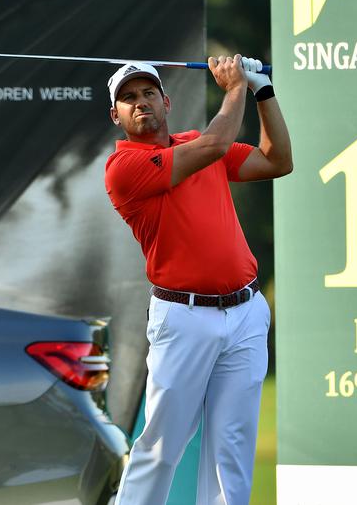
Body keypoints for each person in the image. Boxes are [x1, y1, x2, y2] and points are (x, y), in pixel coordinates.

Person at [104, 54, 292, 505]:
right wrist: (235, 86)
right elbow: (212, 146)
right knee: (163, 444)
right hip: (183, 318)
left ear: (167, 101)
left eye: (149, 92)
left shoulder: (197, 142)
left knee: (233, 446)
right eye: (128, 98)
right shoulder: (124, 169)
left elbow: (277, 160)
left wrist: (262, 89)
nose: (140, 102)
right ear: (117, 116)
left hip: (245, 313)